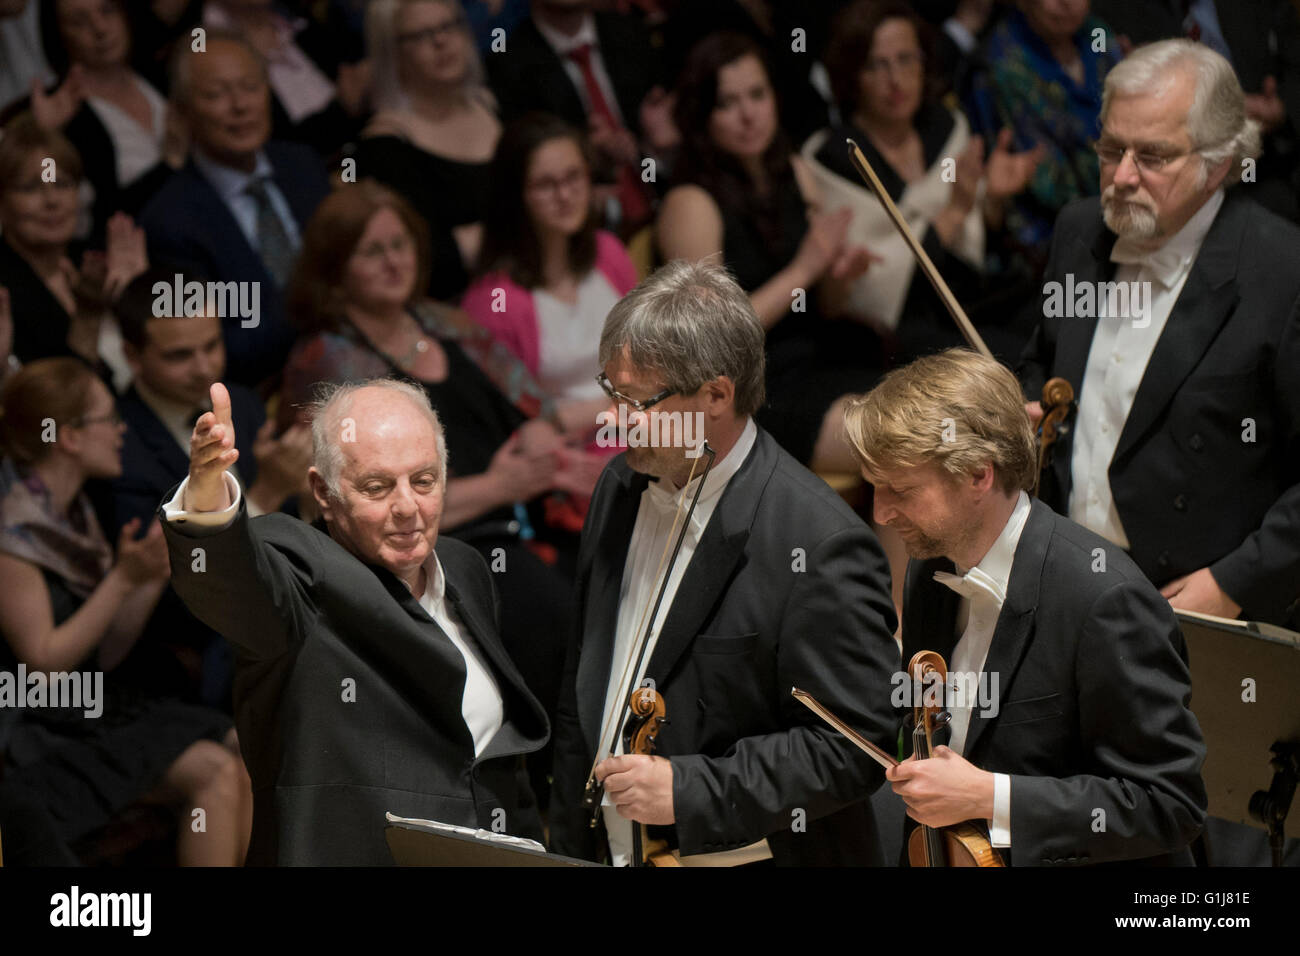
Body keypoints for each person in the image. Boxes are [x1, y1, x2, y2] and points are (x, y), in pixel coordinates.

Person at [548, 259, 900, 867]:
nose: (612, 421)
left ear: (716, 395)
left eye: (638, 401)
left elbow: (856, 748)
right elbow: (583, 681)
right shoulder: (620, 486)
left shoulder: (819, 544)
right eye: (611, 393)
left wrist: (688, 790)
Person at [277, 181, 603, 800]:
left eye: (400, 244)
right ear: (336, 266)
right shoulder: (329, 358)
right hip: (430, 543)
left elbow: (532, 405)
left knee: (611, 575)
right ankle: (553, 794)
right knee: (549, 613)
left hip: (525, 513)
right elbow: (363, 495)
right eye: (373, 251)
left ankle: (606, 779)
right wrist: (504, 483)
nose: (394, 261)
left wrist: (550, 454)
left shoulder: (446, 323)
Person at [159, 377, 549, 865]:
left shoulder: (466, 570)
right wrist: (208, 500)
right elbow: (231, 581)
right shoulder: (302, 570)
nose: (407, 507)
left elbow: (496, 761)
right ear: (323, 492)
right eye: (376, 487)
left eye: (424, 481)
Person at [844, 348, 1207, 865]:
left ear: (978, 475)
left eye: (900, 489)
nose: (880, 511)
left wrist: (988, 796)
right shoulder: (931, 566)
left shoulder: (1105, 600)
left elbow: (1168, 805)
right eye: (874, 488)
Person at [1020, 39, 1300, 627]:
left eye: (1153, 156)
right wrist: (1018, 405)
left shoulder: (1282, 272)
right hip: (1062, 578)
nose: (1121, 177)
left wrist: (1233, 582)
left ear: (1219, 161)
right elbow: (1041, 366)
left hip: (1197, 607)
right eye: (1111, 148)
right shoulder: (1078, 230)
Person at [0, 357, 251, 865]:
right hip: (35, 730)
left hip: (89, 704)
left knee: (248, 745)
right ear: (68, 437)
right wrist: (120, 582)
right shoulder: (13, 535)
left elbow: (106, 653)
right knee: (214, 770)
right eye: (107, 419)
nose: (120, 431)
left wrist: (146, 577)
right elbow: (44, 665)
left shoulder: (77, 513)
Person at [657, 32, 877, 472]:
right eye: (726, 104)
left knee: (932, 430)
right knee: (909, 448)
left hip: (821, 361)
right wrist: (805, 267)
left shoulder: (794, 170)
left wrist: (837, 274)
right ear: (702, 117)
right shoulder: (690, 202)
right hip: (753, 395)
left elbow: (828, 308)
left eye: (757, 95)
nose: (748, 115)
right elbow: (712, 344)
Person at [108, 265, 312, 707]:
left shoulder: (244, 401)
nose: (204, 368)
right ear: (132, 354)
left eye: (212, 345)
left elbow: (296, 531)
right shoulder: (117, 448)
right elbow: (182, 596)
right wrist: (267, 495)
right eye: (180, 355)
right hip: (211, 650)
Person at [806, 0, 1044, 361]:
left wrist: (992, 198)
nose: (895, 80)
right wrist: (953, 214)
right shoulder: (834, 155)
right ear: (852, 75)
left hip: (973, 295)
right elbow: (873, 284)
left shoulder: (946, 127)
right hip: (900, 325)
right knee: (1013, 360)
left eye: (906, 59)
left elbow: (980, 238)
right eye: (876, 65)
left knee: (1059, 323)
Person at [138, 30, 330, 389]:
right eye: (216, 94)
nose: (240, 106)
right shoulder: (170, 222)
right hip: (268, 395)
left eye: (250, 87)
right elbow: (220, 351)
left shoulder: (302, 166)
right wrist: (318, 300)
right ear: (181, 112)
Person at [463, 112, 638, 438]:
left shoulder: (608, 251)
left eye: (574, 177)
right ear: (515, 195)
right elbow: (520, 428)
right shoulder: (494, 300)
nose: (564, 195)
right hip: (575, 463)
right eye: (545, 185)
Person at [356, 0, 499, 296]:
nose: (441, 41)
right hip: (458, 305)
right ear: (392, 53)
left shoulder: (492, 103)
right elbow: (430, 260)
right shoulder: (384, 145)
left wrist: (473, 239)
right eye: (420, 35)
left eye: (448, 26)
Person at [963, 0, 1120, 269]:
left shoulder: (1096, 34)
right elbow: (1051, 184)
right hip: (1055, 247)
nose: (1067, 3)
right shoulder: (999, 65)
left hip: (1122, 209)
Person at [486, 0, 661, 235]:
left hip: (660, 200)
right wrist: (584, 152)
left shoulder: (631, 32)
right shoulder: (507, 62)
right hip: (582, 225)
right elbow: (520, 163)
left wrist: (653, 143)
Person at [0, 113, 147, 390]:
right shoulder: (5, 287)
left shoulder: (94, 260)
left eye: (62, 184)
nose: (52, 200)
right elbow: (56, 403)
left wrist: (138, 299)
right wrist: (89, 318)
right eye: (31, 188)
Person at [33, 0, 181, 239]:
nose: (100, 29)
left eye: (108, 10)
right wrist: (45, 136)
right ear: (59, 34)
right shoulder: (61, 113)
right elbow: (95, 221)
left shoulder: (163, 75)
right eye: (79, 22)